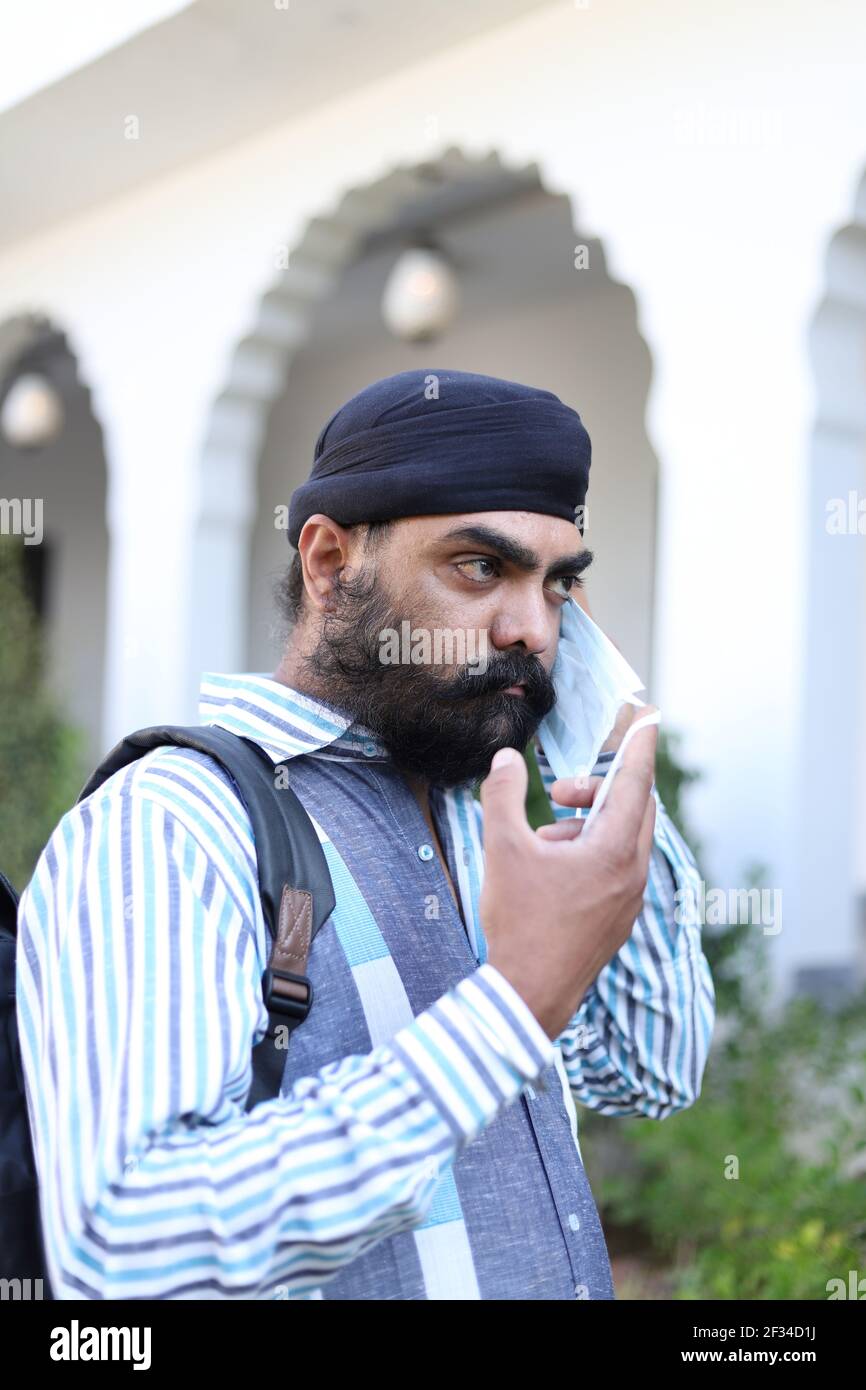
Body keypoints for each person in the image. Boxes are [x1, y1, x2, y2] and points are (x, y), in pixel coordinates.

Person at [16, 368, 714, 1300]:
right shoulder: (171, 826)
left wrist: (601, 726)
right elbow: (126, 1255)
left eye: (558, 587)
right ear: (329, 564)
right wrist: (511, 1006)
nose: (533, 629)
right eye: (481, 567)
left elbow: (651, 1070)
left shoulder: (481, 821)